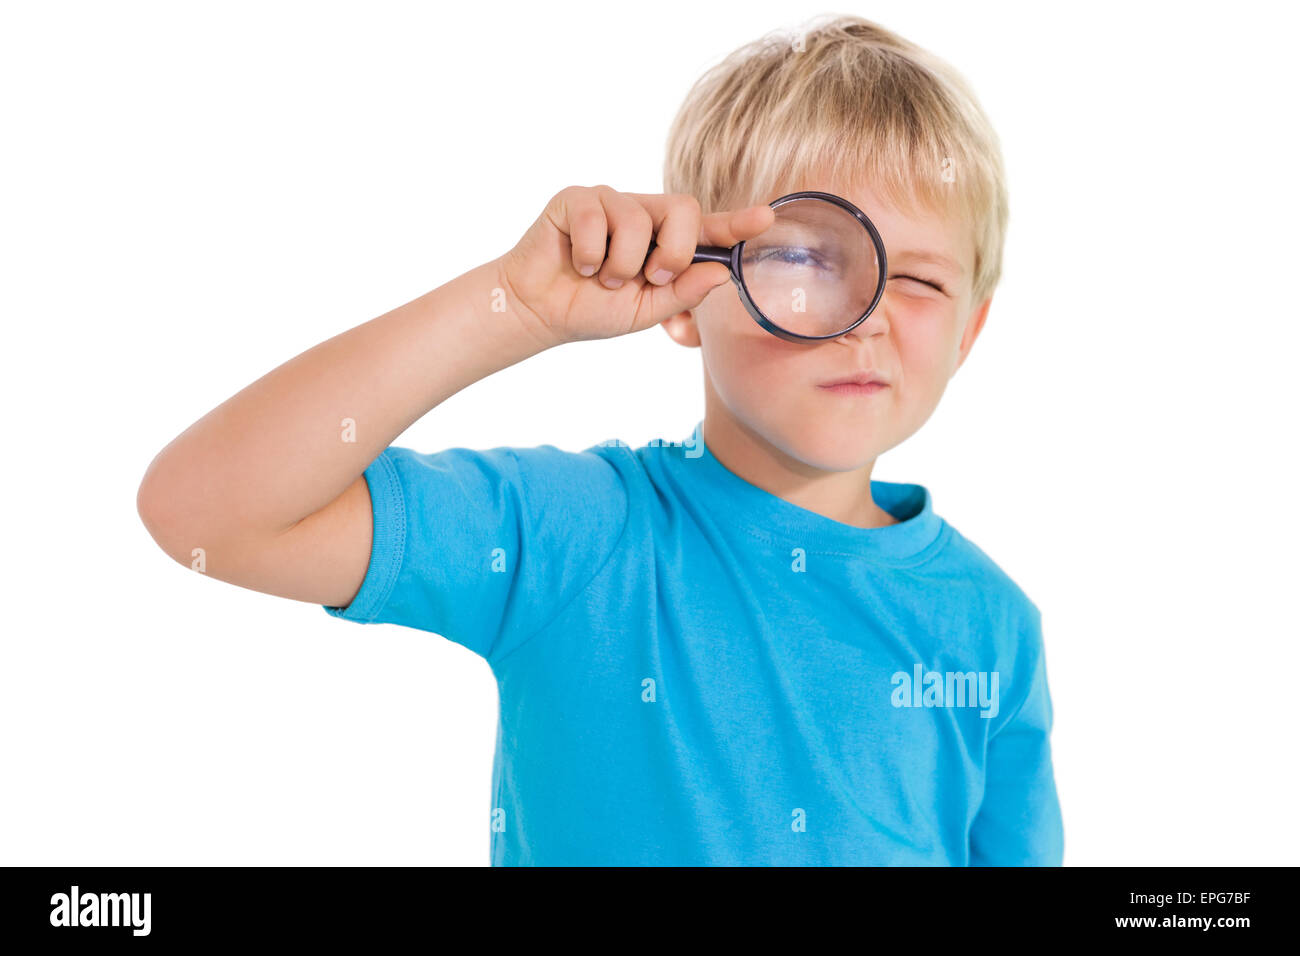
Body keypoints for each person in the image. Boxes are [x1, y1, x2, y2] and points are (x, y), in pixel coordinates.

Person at [137, 14, 1064, 866]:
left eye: (923, 284)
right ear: (692, 288)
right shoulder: (575, 536)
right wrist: (516, 305)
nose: (866, 320)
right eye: (804, 260)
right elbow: (208, 512)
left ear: (970, 332)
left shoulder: (994, 626)